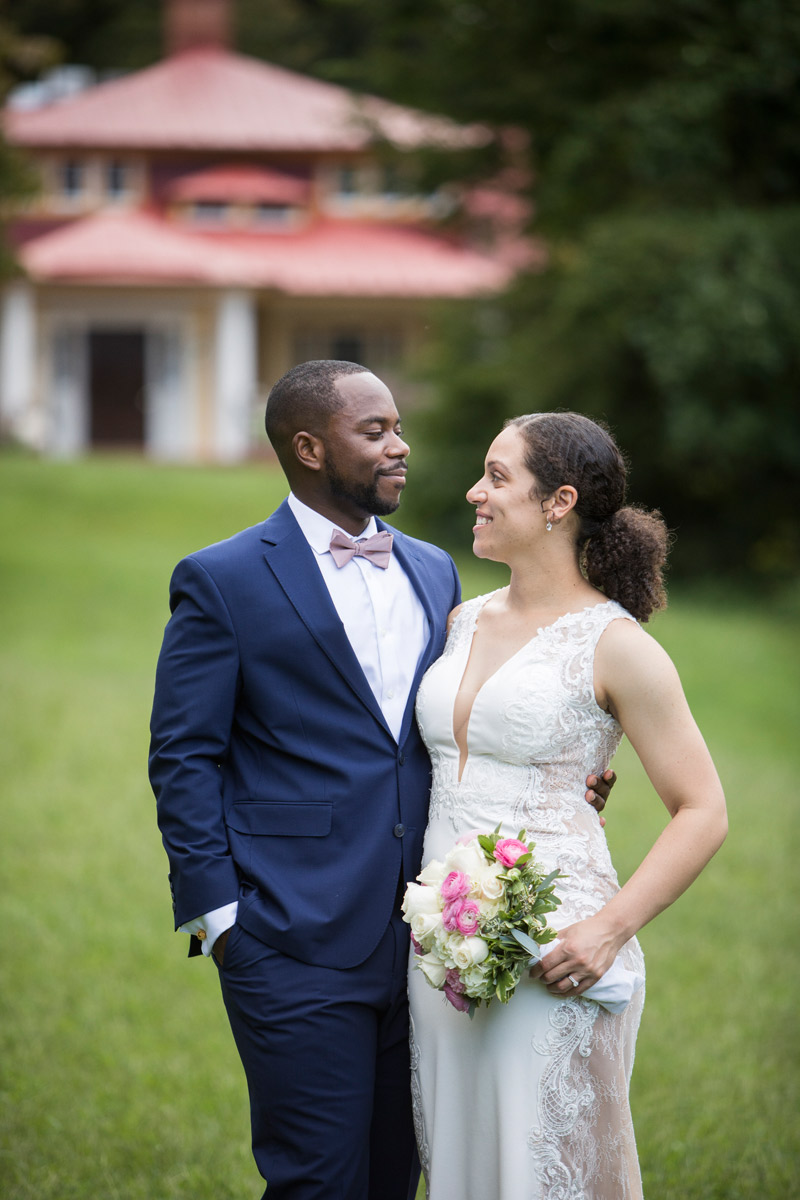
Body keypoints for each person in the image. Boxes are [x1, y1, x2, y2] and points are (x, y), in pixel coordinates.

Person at [148, 362, 615, 1200]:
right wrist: (222, 919)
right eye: (375, 432)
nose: (401, 446)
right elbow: (183, 756)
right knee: (318, 1180)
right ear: (308, 446)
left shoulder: (436, 572)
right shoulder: (222, 580)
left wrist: (566, 775)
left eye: (399, 426)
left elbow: (456, 722)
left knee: (401, 1173)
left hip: (431, 941)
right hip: (289, 935)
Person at [408, 412, 728, 1200]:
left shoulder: (617, 647)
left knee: (540, 1167)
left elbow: (703, 808)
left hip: (559, 948)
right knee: (461, 1160)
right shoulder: (461, 620)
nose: (475, 492)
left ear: (559, 502)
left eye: (497, 476)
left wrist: (606, 932)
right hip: (440, 944)